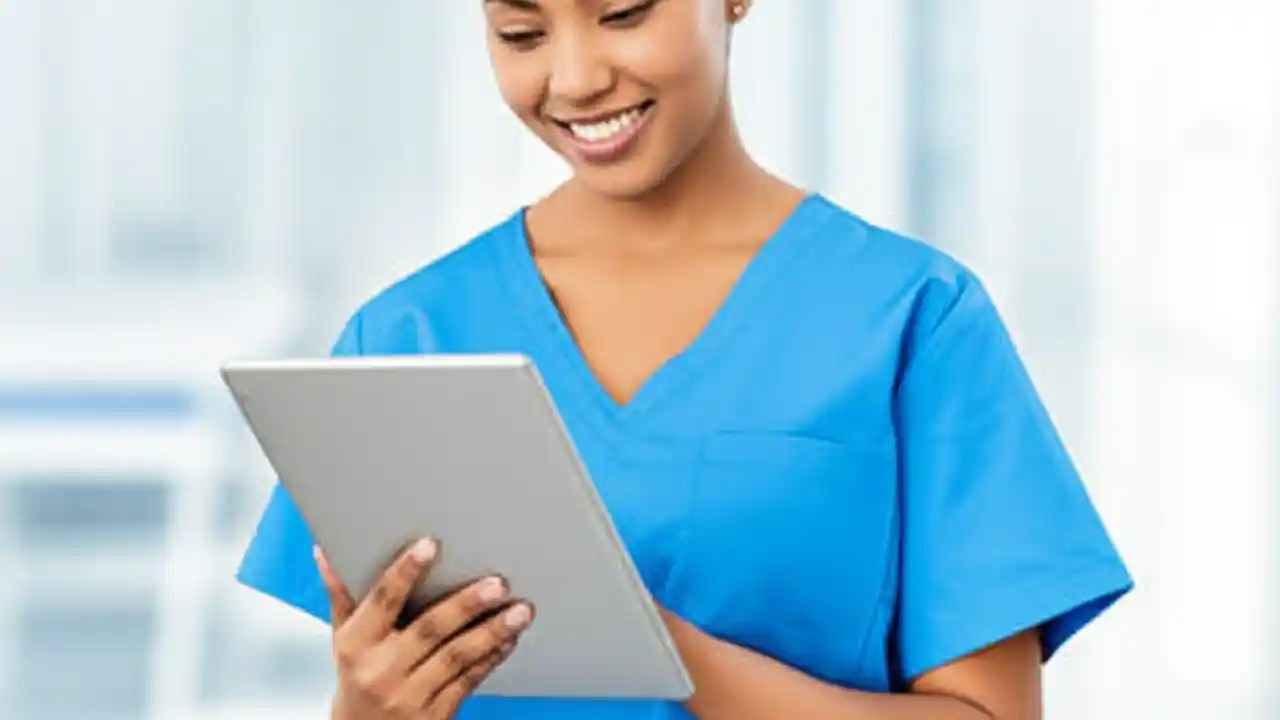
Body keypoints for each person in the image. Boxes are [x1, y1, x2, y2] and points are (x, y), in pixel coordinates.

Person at [236, 0, 1133, 718]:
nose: (576, 77)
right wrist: (367, 711)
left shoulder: (913, 318)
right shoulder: (405, 336)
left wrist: (644, 644)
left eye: (624, 14)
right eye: (521, 33)